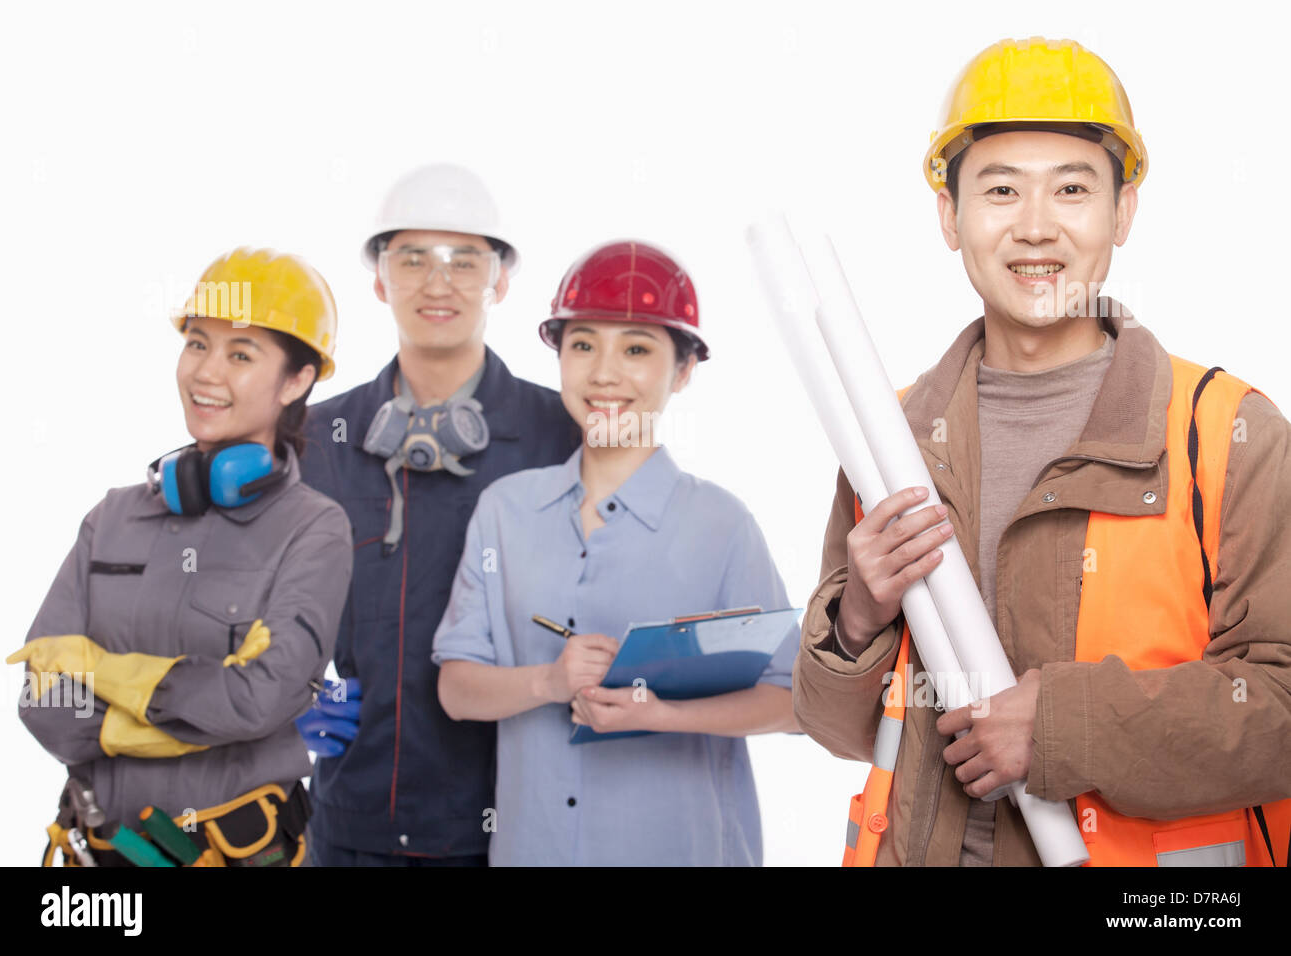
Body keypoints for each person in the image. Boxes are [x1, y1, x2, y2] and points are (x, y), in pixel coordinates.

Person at [793, 36, 1291, 867]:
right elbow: (836, 728)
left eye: (1071, 188)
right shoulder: (895, 435)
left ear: (1122, 212)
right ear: (950, 217)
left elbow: (1280, 705)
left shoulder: (1225, 434)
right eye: (999, 190)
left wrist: (1065, 727)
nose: (1034, 227)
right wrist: (856, 621)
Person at [432, 239, 799, 866]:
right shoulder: (504, 512)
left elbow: (795, 702)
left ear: (683, 370)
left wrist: (657, 713)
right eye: (583, 345)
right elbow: (456, 689)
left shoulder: (721, 524)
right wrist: (549, 680)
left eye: (636, 348)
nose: (604, 373)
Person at [9, 247, 353, 867]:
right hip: (101, 870)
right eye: (197, 343)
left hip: (238, 854)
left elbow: (259, 699)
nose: (206, 372)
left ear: (297, 380)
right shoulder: (110, 519)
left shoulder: (314, 531)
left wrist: (106, 679)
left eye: (240, 354)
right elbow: (42, 703)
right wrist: (195, 712)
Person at [297, 164, 580, 866]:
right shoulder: (316, 440)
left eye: (465, 260)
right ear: (379, 279)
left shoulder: (560, 434)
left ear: (501, 281)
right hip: (350, 825)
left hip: (514, 825)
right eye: (412, 258)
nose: (438, 281)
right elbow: (251, 603)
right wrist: (286, 697)